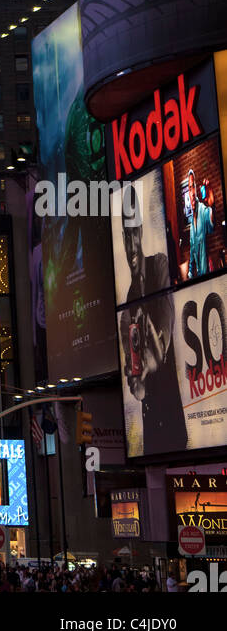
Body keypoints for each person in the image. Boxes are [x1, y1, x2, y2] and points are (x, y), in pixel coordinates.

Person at [118, 199, 187, 455]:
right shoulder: (129, 295)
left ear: (142, 232)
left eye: (134, 232)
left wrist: (155, 351)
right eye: (126, 235)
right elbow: (138, 388)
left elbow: (167, 320)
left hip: (172, 426)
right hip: (152, 438)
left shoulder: (159, 264)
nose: (130, 243)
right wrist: (135, 381)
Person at [186, 170, 214, 279]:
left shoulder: (202, 209)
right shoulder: (191, 223)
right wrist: (189, 273)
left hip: (208, 275)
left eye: (193, 187)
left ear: (197, 189)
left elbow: (211, 224)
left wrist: (212, 205)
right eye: (189, 188)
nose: (192, 193)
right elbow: (192, 249)